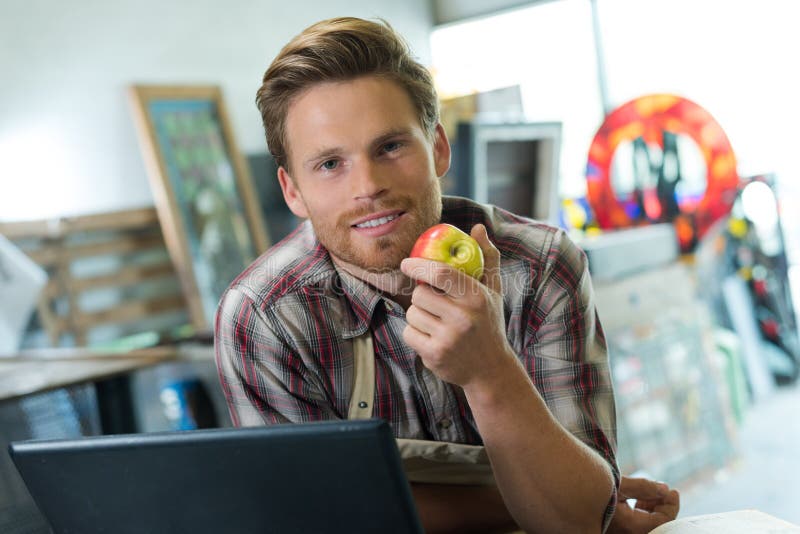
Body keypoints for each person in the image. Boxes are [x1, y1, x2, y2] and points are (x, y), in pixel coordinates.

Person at [215, 16, 678, 533]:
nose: (368, 185)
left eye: (390, 147)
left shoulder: (543, 266)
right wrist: (563, 496)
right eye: (329, 164)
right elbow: (318, 521)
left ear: (436, 147)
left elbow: (574, 527)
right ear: (292, 190)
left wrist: (490, 372)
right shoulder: (265, 316)